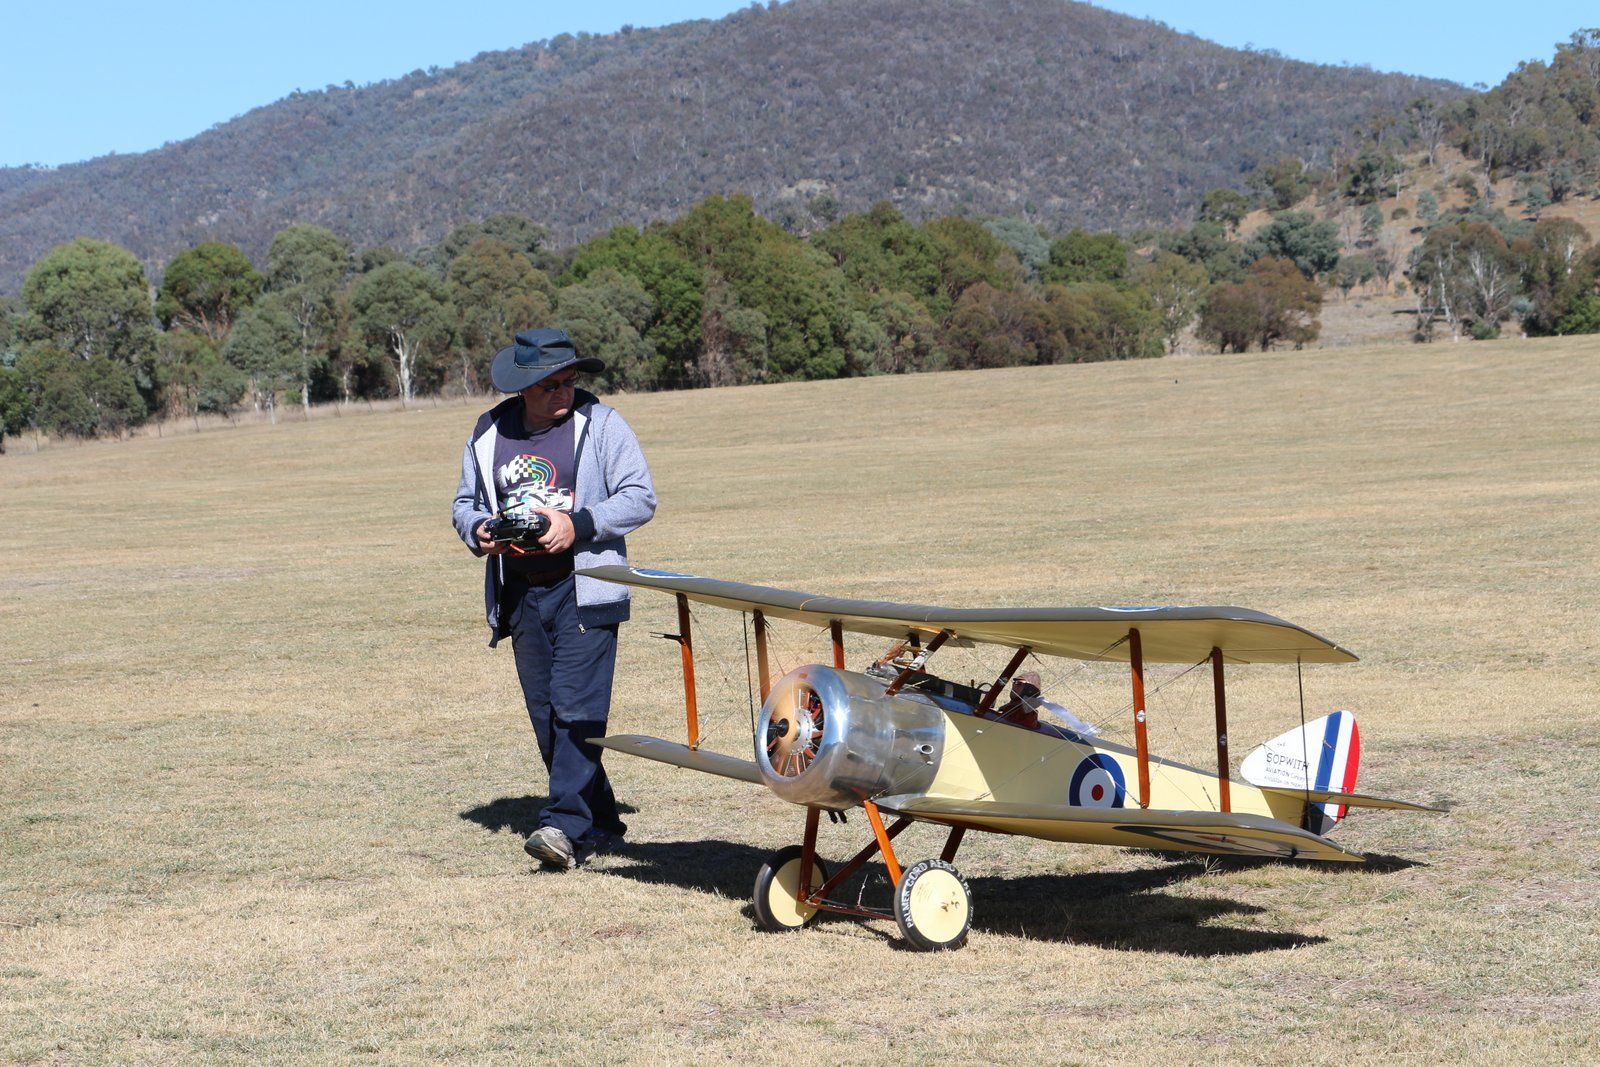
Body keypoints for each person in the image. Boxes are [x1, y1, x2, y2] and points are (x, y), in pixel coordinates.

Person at [452, 328, 657, 871]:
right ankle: (602, 819)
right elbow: (465, 503)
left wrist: (578, 524)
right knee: (546, 715)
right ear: (522, 388)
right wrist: (479, 531)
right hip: (520, 591)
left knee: (577, 708)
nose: (563, 392)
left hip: (584, 587)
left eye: (569, 381)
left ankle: (562, 826)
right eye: (550, 385)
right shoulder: (488, 431)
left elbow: (640, 497)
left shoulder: (603, 424)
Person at [990, 671, 1099, 739]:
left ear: (1029, 689)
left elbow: (1028, 706)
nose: (1014, 685)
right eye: (1014, 682)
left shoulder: (1026, 709)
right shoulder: (1015, 706)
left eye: (1018, 683)